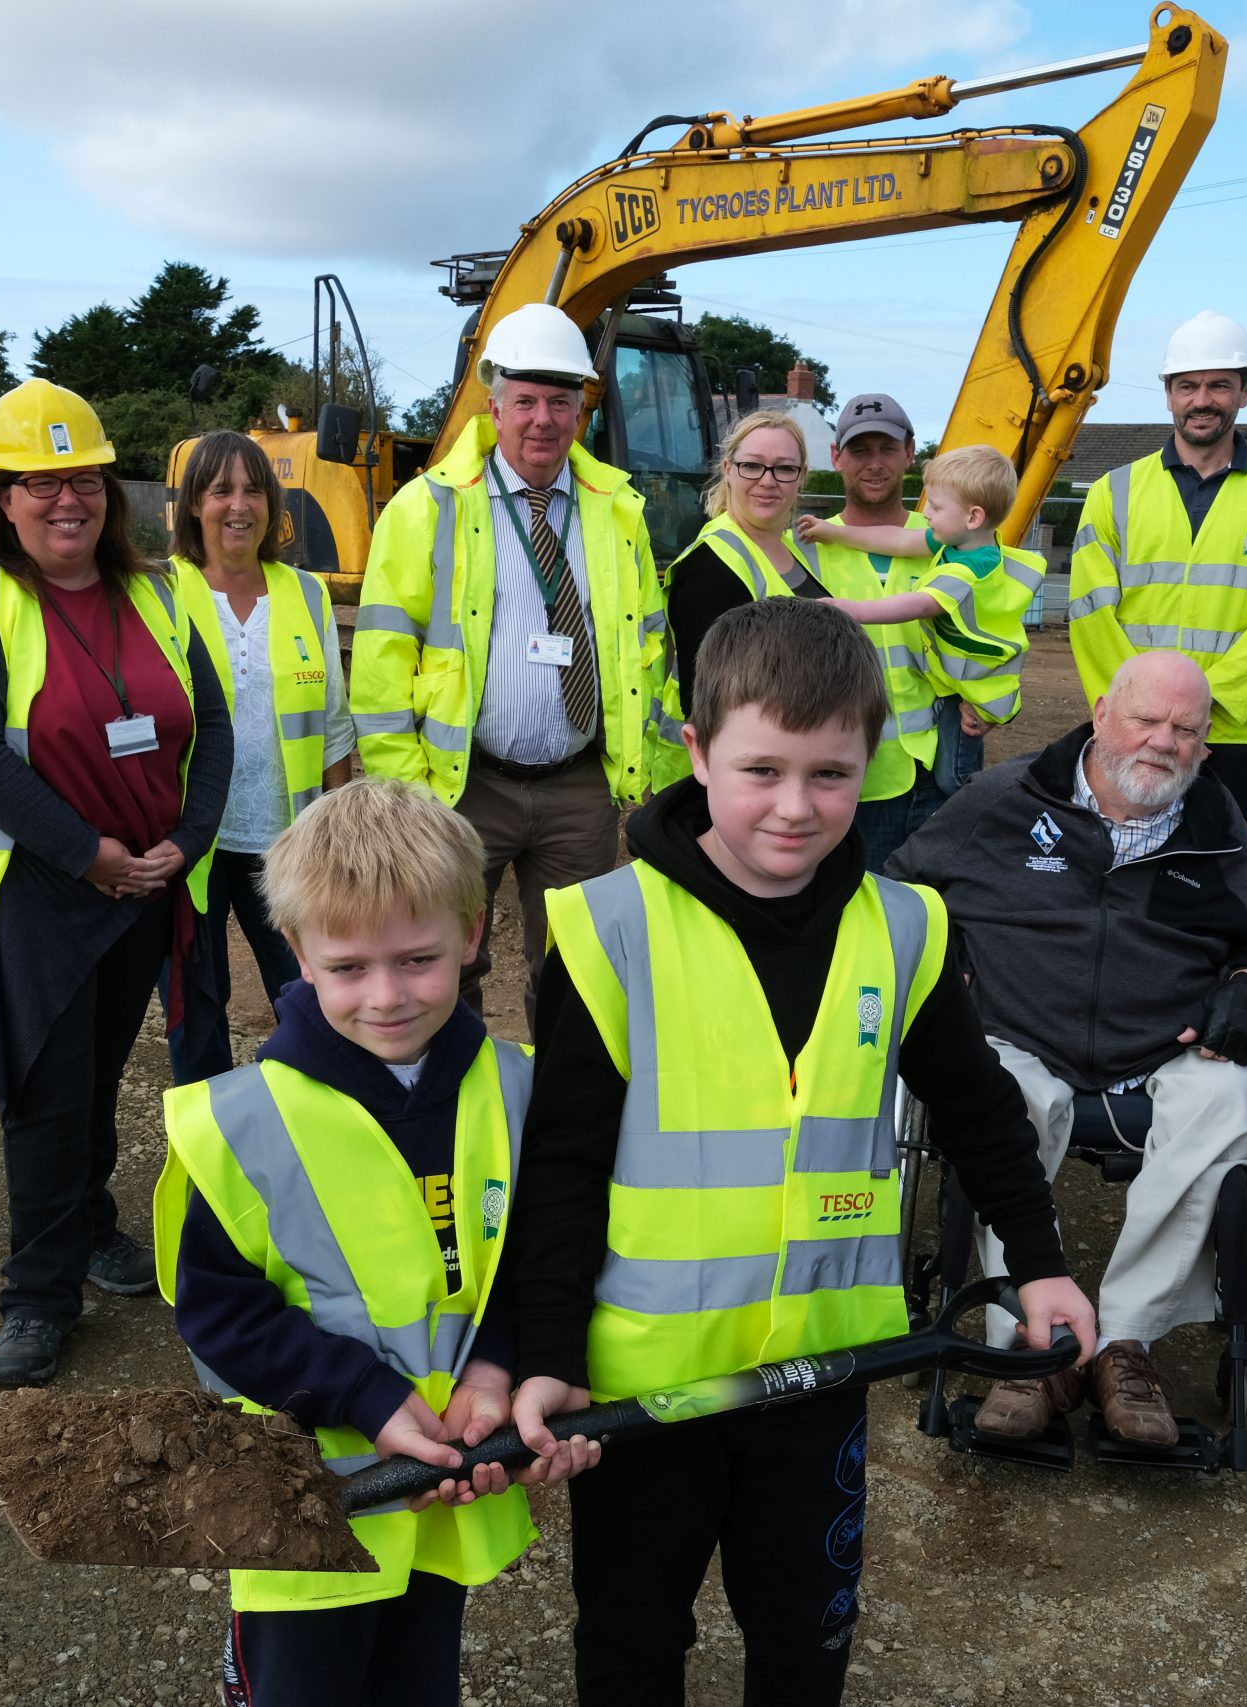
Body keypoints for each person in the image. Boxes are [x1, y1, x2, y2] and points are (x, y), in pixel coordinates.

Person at [504, 598, 1095, 1706]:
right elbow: (561, 1168)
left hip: (822, 1378)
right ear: (696, 752)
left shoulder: (905, 928)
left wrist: (1041, 1260)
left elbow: (978, 1110)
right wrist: (546, 1349)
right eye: (761, 770)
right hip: (646, 1392)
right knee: (631, 1640)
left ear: (872, 762)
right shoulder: (606, 929)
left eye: (830, 774)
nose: (794, 805)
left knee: (804, 1639)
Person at [156, 778, 599, 1707]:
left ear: (473, 932)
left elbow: (527, 1260)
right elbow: (220, 1315)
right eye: (350, 967)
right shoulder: (243, 1122)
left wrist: (495, 1368)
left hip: (444, 1484)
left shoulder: (517, 1088)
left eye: (417, 960)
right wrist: (363, 1394)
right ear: (298, 952)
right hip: (310, 1505)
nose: (387, 995)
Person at [0, 379, 233, 1388]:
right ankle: (37, 1298)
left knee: (93, 1080)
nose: (65, 500)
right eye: (39, 483)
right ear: (2, 499)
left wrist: (186, 841)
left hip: (143, 890)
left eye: (82, 480)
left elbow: (211, 726)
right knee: (45, 1096)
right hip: (39, 895)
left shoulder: (156, 594)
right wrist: (89, 853)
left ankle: (88, 1224)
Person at [887, 651, 1247, 1444]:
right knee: (993, 1094)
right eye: (1146, 719)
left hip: (1161, 1051)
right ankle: (1034, 1344)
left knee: (1226, 1100)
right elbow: (903, 892)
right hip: (1018, 1034)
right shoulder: (1006, 799)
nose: (1163, 742)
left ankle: (1122, 1343)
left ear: (1205, 744)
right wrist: (948, 968)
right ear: (1103, 713)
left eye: (1185, 729)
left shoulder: (1215, 825)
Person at [350, 303, 668, 1027]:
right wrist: (410, 794)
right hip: (463, 789)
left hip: (579, 789)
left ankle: (558, 1095)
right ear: (494, 408)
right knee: (442, 965)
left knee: (576, 974)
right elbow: (380, 661)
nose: (542, 420)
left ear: (581, 412)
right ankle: (454, 1090)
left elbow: (649, 647)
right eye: (525, 401)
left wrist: (645, 766)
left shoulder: (618, 511)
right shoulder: (427, 509)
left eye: (560, 402)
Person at [1063, 311, 1247, 819]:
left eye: (1219, 385)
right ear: (1168, 393)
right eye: (1187, 386)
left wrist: (1199, 714)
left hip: (1228, 733)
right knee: (1118, 857)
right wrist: (1142, 713)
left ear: (1245, 391)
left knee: (1210, 865)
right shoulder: (1113, 492)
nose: (1201, 400)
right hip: (1131, 731)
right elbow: (1091, 614)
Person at [160, 430, 354, 1084]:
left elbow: (332, 726)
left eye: (253, 491)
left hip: (287, 844)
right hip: (191, 846)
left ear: (273, 505)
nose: (238, 506)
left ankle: (313, 1122)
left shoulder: (306, 594)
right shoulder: (161, 593)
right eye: (221, 491)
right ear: (194, 504)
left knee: (312, 999)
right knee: (196, 1014)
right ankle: (211, 1136)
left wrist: (334, 836)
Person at [796, 443, 1047, 798]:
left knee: (954, 780)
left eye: (937, 507)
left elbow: (919, 604)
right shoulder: (961, 544)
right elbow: (897, 539)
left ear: (973, 517)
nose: (926, 513)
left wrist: (853, 611)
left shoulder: (970, 569)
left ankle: (982, 811)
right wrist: (836, 532)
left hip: (975, 689)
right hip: (958, 678)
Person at [798, 392, 962, 872]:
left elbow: (991, 629)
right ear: (836, 457)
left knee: (935, 907)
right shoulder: (803, 550)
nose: (874, 464)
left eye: (887, 449)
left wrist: (988, 700)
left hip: (942, 765)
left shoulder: (948, 542)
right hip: (852, 778)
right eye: (860, 450)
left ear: (910, 452)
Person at [661, 408, 820, 734]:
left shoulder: (792, 547)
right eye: (752, 466)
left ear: (802, 475)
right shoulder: (711, 565)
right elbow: (707, 706)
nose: (768, 481)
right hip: (740, 758)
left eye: (784, 468)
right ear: (728, 470)